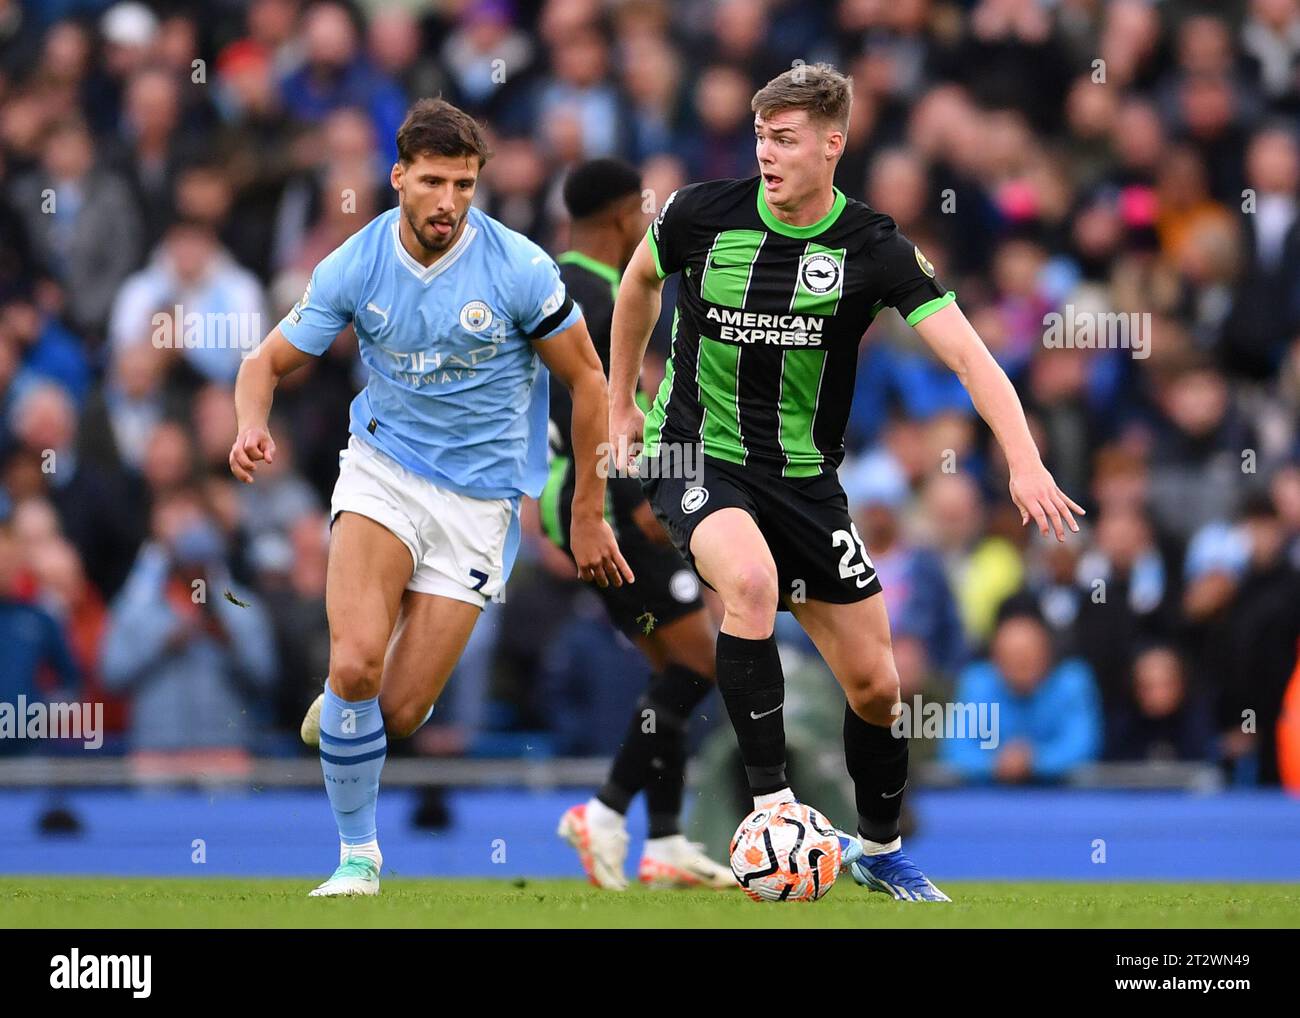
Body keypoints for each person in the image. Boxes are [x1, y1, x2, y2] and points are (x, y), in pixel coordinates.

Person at [608, 63, 1084, 902]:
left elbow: (970, 357)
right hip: (697, 458)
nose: (767, 153)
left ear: (834, 144)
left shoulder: (872, 246)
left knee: (877, 687)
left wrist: (1024, 458)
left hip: (806, 484)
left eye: (786, 140)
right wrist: (622, 408)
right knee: (748, 584)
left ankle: (880, 849)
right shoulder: (696, 215)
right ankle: (773, 809)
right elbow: (637, 286)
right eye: (761, 136)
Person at [229, 98, 629, 897]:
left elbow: (588, 379)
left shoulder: (518, 268)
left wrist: (586, 511)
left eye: (465, 184)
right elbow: (264, 363)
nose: (449, 201)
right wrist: (249, 426)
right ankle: (357, 858)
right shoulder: (356, 262)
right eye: (435, 181)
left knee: (401, 712)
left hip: (479, 505)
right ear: (399, 177)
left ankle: (345, 707)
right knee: (355, 663)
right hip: (383, 470)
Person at [545, 158, 731, 890]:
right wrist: (640, 500)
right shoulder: (601, 294)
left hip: (583, 497)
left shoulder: (557, 284)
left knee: (672, 670)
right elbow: (601, 408)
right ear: (626, 216)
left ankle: (667, 840)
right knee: (700, 662)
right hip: (611, 504)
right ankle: (606, 811)